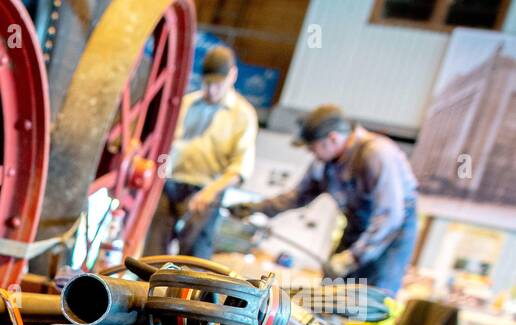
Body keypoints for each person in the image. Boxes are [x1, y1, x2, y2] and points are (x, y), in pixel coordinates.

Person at [233, 104, 418, 293]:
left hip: (391, 233)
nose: (311, 153)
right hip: (358, 226)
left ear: (332, 138)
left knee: (371, 296)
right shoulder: (325, 164)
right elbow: (298, 196)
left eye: (313, 148)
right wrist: (257, 208)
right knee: (331, 290)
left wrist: (352, 258)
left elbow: (389, 215)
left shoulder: (377, 154)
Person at [146, 45, 258, 259]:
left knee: (195, 260)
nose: (212, 90)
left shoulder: (243, 115)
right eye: (207, 83)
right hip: (169, 186)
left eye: (218, 84)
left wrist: (210, 191)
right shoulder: (187, 104)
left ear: (232, 76)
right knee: (153, 254)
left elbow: (239, 168)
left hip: (207, 191)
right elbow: (162, 145)